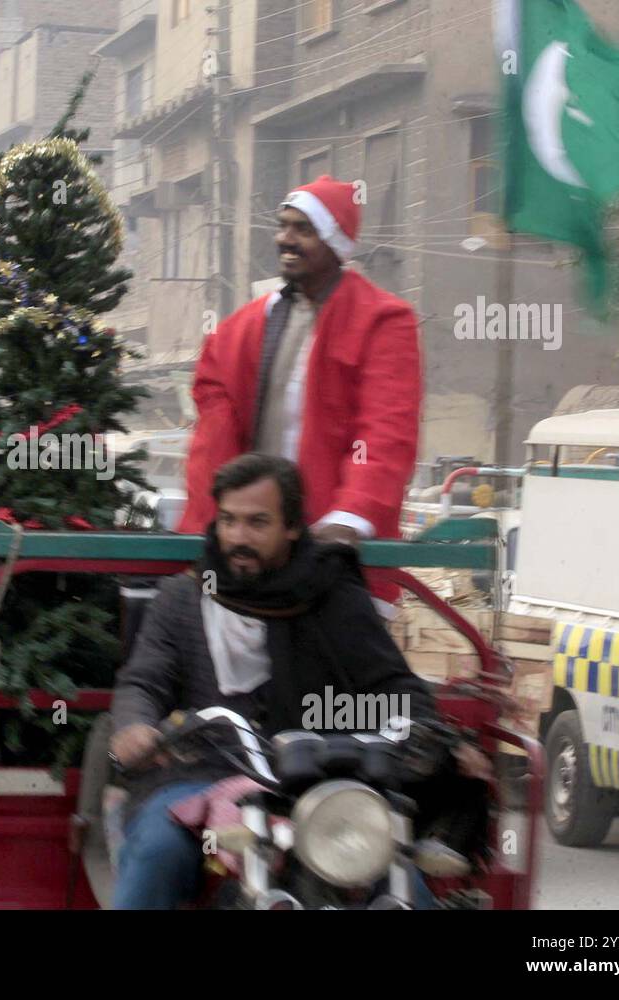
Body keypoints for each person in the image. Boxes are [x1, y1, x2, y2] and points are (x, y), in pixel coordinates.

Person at [109, 454, 487, 909]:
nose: (238, 537)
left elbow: (391, 686)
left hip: (323, 780)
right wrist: (135, 725)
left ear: (291, 528)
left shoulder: (332, 597)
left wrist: (435, 733)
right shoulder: (185, 597)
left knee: (401, 883)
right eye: (228, 521)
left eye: (257, 523)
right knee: (157, 852)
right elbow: (144, 680)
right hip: (202, 775)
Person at [179, 175, 422, 612]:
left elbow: (385, 434)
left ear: (335, 243)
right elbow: (211, 443)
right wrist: (211, 529)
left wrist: (348, 519)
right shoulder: (236, 333)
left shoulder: (383, 321)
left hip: (334, 559)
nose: (285, 240)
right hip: (248, 554)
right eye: (283, 225)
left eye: (303, 230)